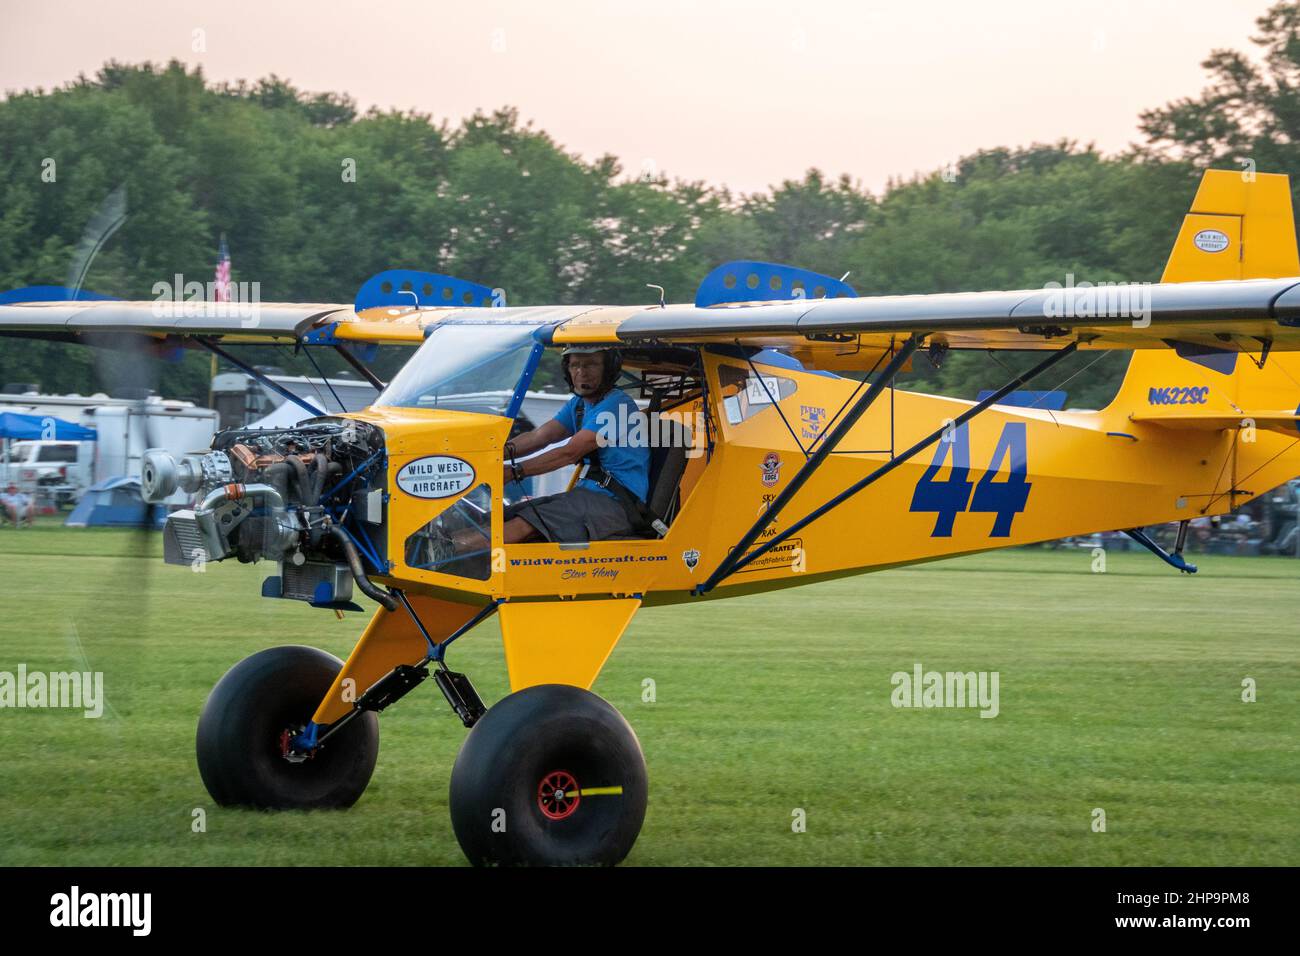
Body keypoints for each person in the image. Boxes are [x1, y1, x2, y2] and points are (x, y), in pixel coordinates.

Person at [499, 345, 651, 543]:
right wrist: (492, 453)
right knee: (504, 515)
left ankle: (454, 552)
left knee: (525, 523)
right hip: (588, 496)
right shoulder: (579, 405)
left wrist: (514, 472)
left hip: (617, 505)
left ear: (609, 368)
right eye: (575, 365)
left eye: (591, 364)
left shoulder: (617, 405)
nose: (581, 372)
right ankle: (452, 550)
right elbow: (540, 436)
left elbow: (568, 453)